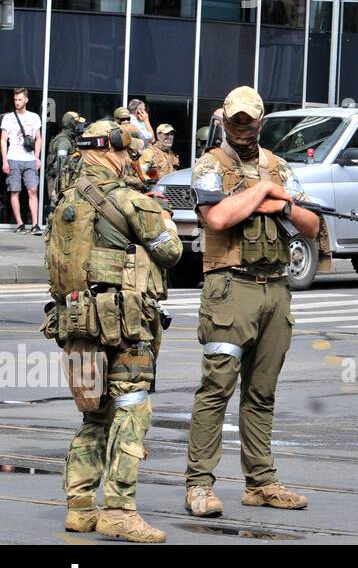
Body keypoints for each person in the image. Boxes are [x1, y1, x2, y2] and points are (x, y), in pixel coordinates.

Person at [183, 86, 321, 517]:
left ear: (261, 122)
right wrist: (264, 194)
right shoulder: (209, 165)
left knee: (262, 392)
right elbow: (218, 217)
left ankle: (260, 482)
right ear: (224, 119)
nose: (242, 128)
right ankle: (199, 485)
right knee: (216, 388)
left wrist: (277, 205)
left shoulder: (278, 167)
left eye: (250, 121)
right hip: (230, 287)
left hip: (275, 288)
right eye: (235, 120)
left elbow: (311, 224)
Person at [43, 119, 183, 542]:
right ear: (110, 151)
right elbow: (170, 251)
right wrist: (164, 218)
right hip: (123, 325)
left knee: (94, 414)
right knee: (132, 407)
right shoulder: (125, 199)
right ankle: (120, 509)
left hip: (75, 322)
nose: (129, 159)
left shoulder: (65, 202)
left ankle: (80, 506)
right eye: (125, 152)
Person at [2, 87, 43, 234]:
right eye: (15, 100)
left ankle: (35, 224)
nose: (17, 102)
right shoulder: (8, 118)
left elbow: (39, 138)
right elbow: (3, 140)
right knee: (15, 191)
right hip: (13, 157)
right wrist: (5, 161)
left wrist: (37, 158)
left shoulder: (34, 117)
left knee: (33, 190)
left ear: (26, 100)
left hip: (30, 158)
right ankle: (19, 223)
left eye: (19, 99)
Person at [45, 110, 85, 210]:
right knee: (57, 210)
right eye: (77, 123)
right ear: (71, 124)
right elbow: (60, 165)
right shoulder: (64, 141)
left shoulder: (70, 139)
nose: (79, 125)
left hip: (65, 182)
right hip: (59, 183)